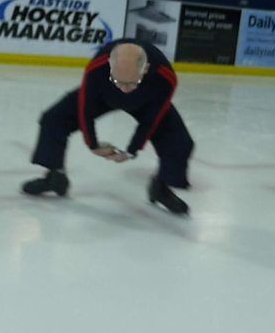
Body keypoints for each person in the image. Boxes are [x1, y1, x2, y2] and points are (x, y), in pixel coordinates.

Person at [21, 39, 194, 215]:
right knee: (53, 119)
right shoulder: (97, 67)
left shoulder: (165, 77)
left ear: (146, 69)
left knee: (180, 142)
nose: (124, 89)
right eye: (118, 81)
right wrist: (93, 144)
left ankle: (161, 188)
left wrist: (132, 150)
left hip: (146, 102)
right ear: (110, 66)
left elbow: (152, 120)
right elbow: (85, 108)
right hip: (104, 97)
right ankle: (55, 176)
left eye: (132, 83)